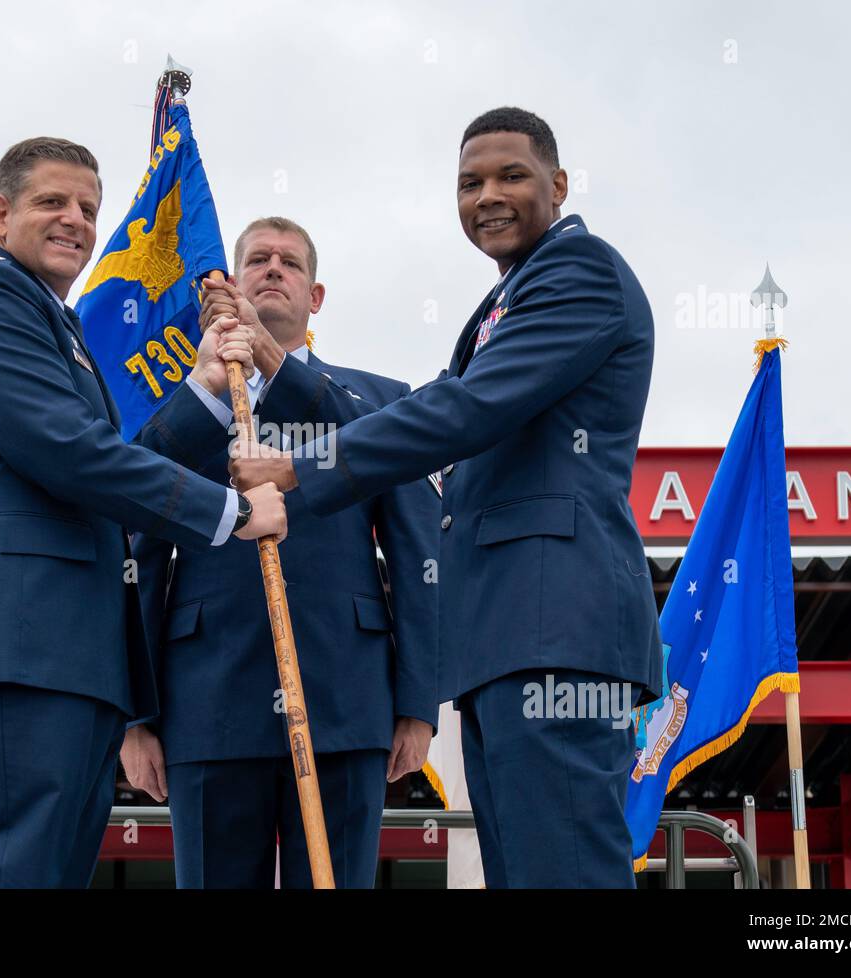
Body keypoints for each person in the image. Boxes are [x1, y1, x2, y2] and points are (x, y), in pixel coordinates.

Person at [228, 108, 664, 888]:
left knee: (564, 869)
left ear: (559, 184)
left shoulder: (581, 273)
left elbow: (461, 413)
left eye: (511, 175)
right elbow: (425, 408)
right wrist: (277, 364)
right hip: (507, 637)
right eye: (469, 182)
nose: (487, 195)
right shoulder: (509, 300)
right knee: (528, 871)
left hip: (557, 629)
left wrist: (296, 469)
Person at [0, 137, 285, 888]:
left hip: (66, 658)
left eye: (87, 209)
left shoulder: (55, 321)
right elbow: (69, 452)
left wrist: (204, 389)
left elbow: (106, 458)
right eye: (52, 202)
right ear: (0, 212)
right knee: (9, 872)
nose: (74, 220)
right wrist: (231, 512)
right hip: (17, 650)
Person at [122, 217, 440, 887]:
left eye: (290, 263)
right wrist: (138, 716)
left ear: (315, 295)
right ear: (233, 283)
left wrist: (417, 703)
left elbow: (417, 557)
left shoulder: (381, 402)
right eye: (258, 259)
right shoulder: (189, 400)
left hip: (345, 705)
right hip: (206, 703)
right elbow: (138, 549)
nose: (273, 269)